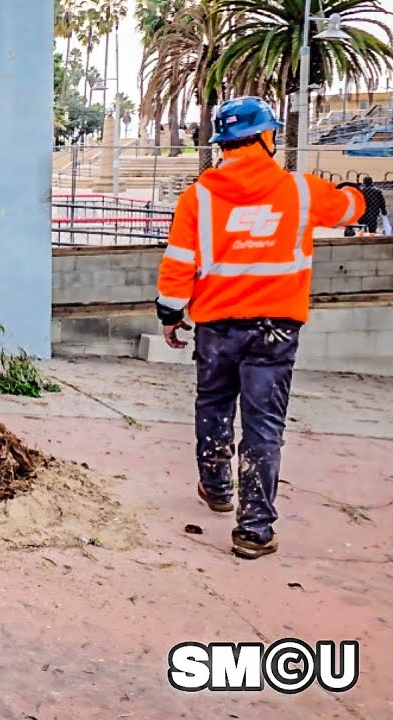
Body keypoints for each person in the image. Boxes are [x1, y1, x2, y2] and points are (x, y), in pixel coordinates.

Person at [153, 96, 366, 560]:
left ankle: (216, 487)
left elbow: (178, 265)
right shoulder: (301, 190)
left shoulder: (199, 197)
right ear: (267, 137)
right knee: (263, 424)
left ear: (222, 145)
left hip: (215, 326)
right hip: (276, 327)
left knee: (213, 403)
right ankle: (253, 529)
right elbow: (348, 209)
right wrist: (365, 197)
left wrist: (170, 315)